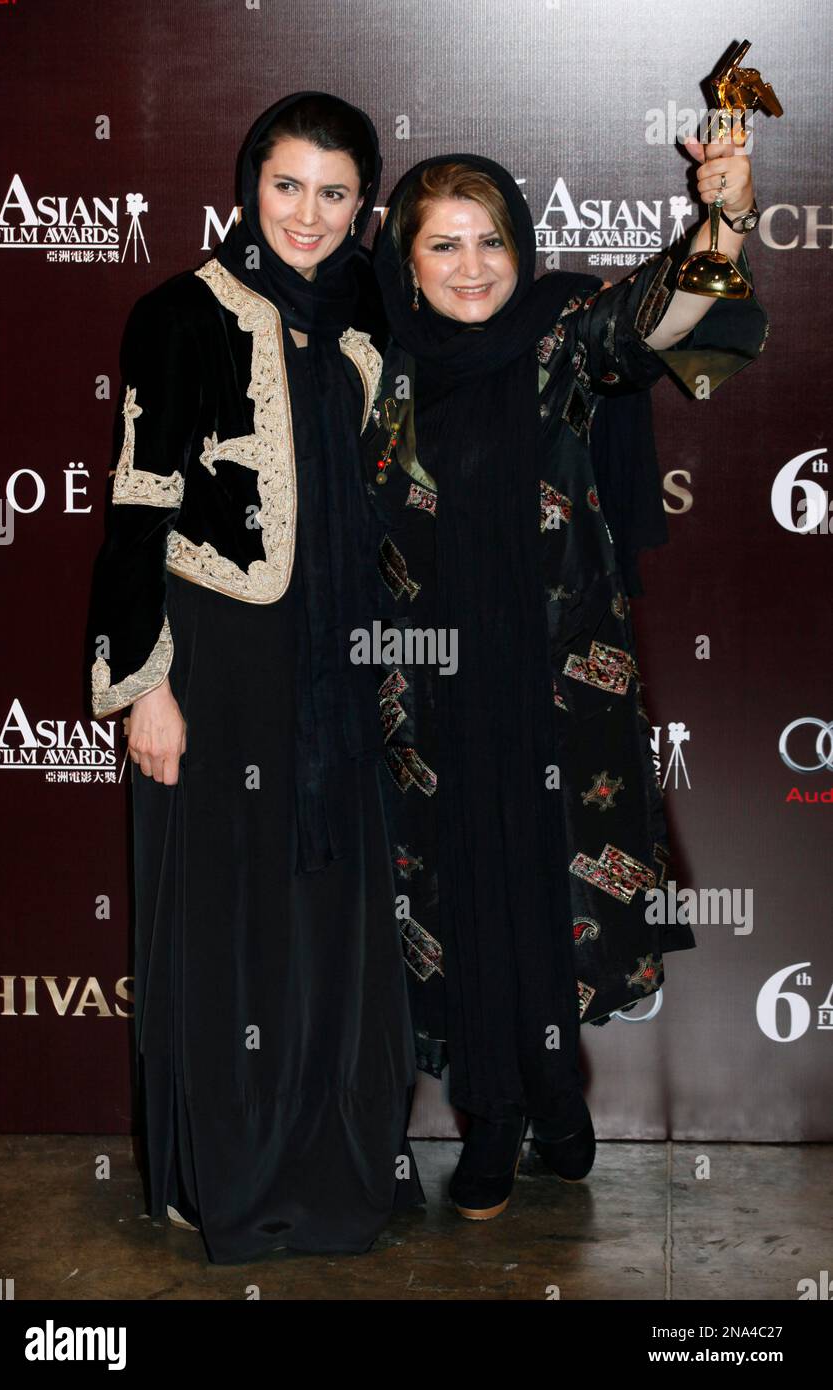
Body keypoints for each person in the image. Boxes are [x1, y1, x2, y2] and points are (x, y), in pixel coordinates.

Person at [363, 138, 768, 1219]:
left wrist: (724, 220)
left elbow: (657, 317)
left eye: (490, 238)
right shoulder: (374, 372)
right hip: (427, 698)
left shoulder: (557, 336)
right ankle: (493, 1113)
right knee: (461, 899)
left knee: (555, 882)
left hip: (560, 683)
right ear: (404, 262)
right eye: (442, 244)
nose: (472, 264)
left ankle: (558, 1091)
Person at [87, 91, 425, 1263]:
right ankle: (212, 1166)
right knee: (221, 923)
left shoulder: (378, 302)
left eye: (336, 193)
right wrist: (144, 685)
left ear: (364, 203)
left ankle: (332, 1152)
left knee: (330, 916)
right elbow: (136, 514)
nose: (310, 215)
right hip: (214, 662)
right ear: (248, 185)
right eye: (288, 186)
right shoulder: (177, 313)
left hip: (339, 668)